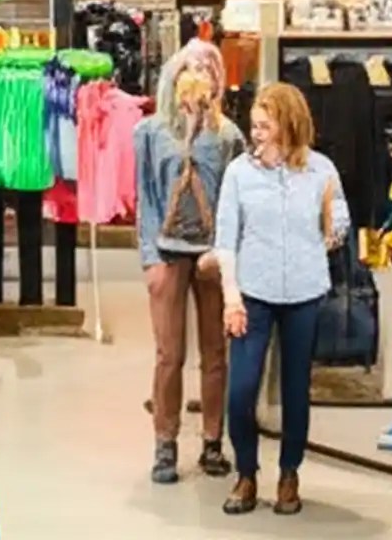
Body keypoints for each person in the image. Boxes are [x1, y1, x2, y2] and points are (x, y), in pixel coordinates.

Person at [213, 82, 349, 516]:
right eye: (253, 126)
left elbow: (336, 227)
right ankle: (247, 472)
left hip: (305, 291)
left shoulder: (322, 171)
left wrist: (335, 225)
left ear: (289, 125)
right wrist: (231, 296)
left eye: (265, 126)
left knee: (295, 389)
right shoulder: (239, 173)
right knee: (242, 389)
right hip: (253, 292)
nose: (256, 134)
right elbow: (225, 240)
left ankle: (289, 472)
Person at [133, 39, 242, 484]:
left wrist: (230, 258)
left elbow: (235, 203)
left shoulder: (229, 136)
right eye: (189, 67)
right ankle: (165, 443)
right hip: (167, 250)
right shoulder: (149, 132)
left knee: (215, 353)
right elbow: (144, 198)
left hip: (212, 254)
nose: (197, 74)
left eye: (206, 68)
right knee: (168, 353)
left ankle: (213, 441)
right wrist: (149, 259)